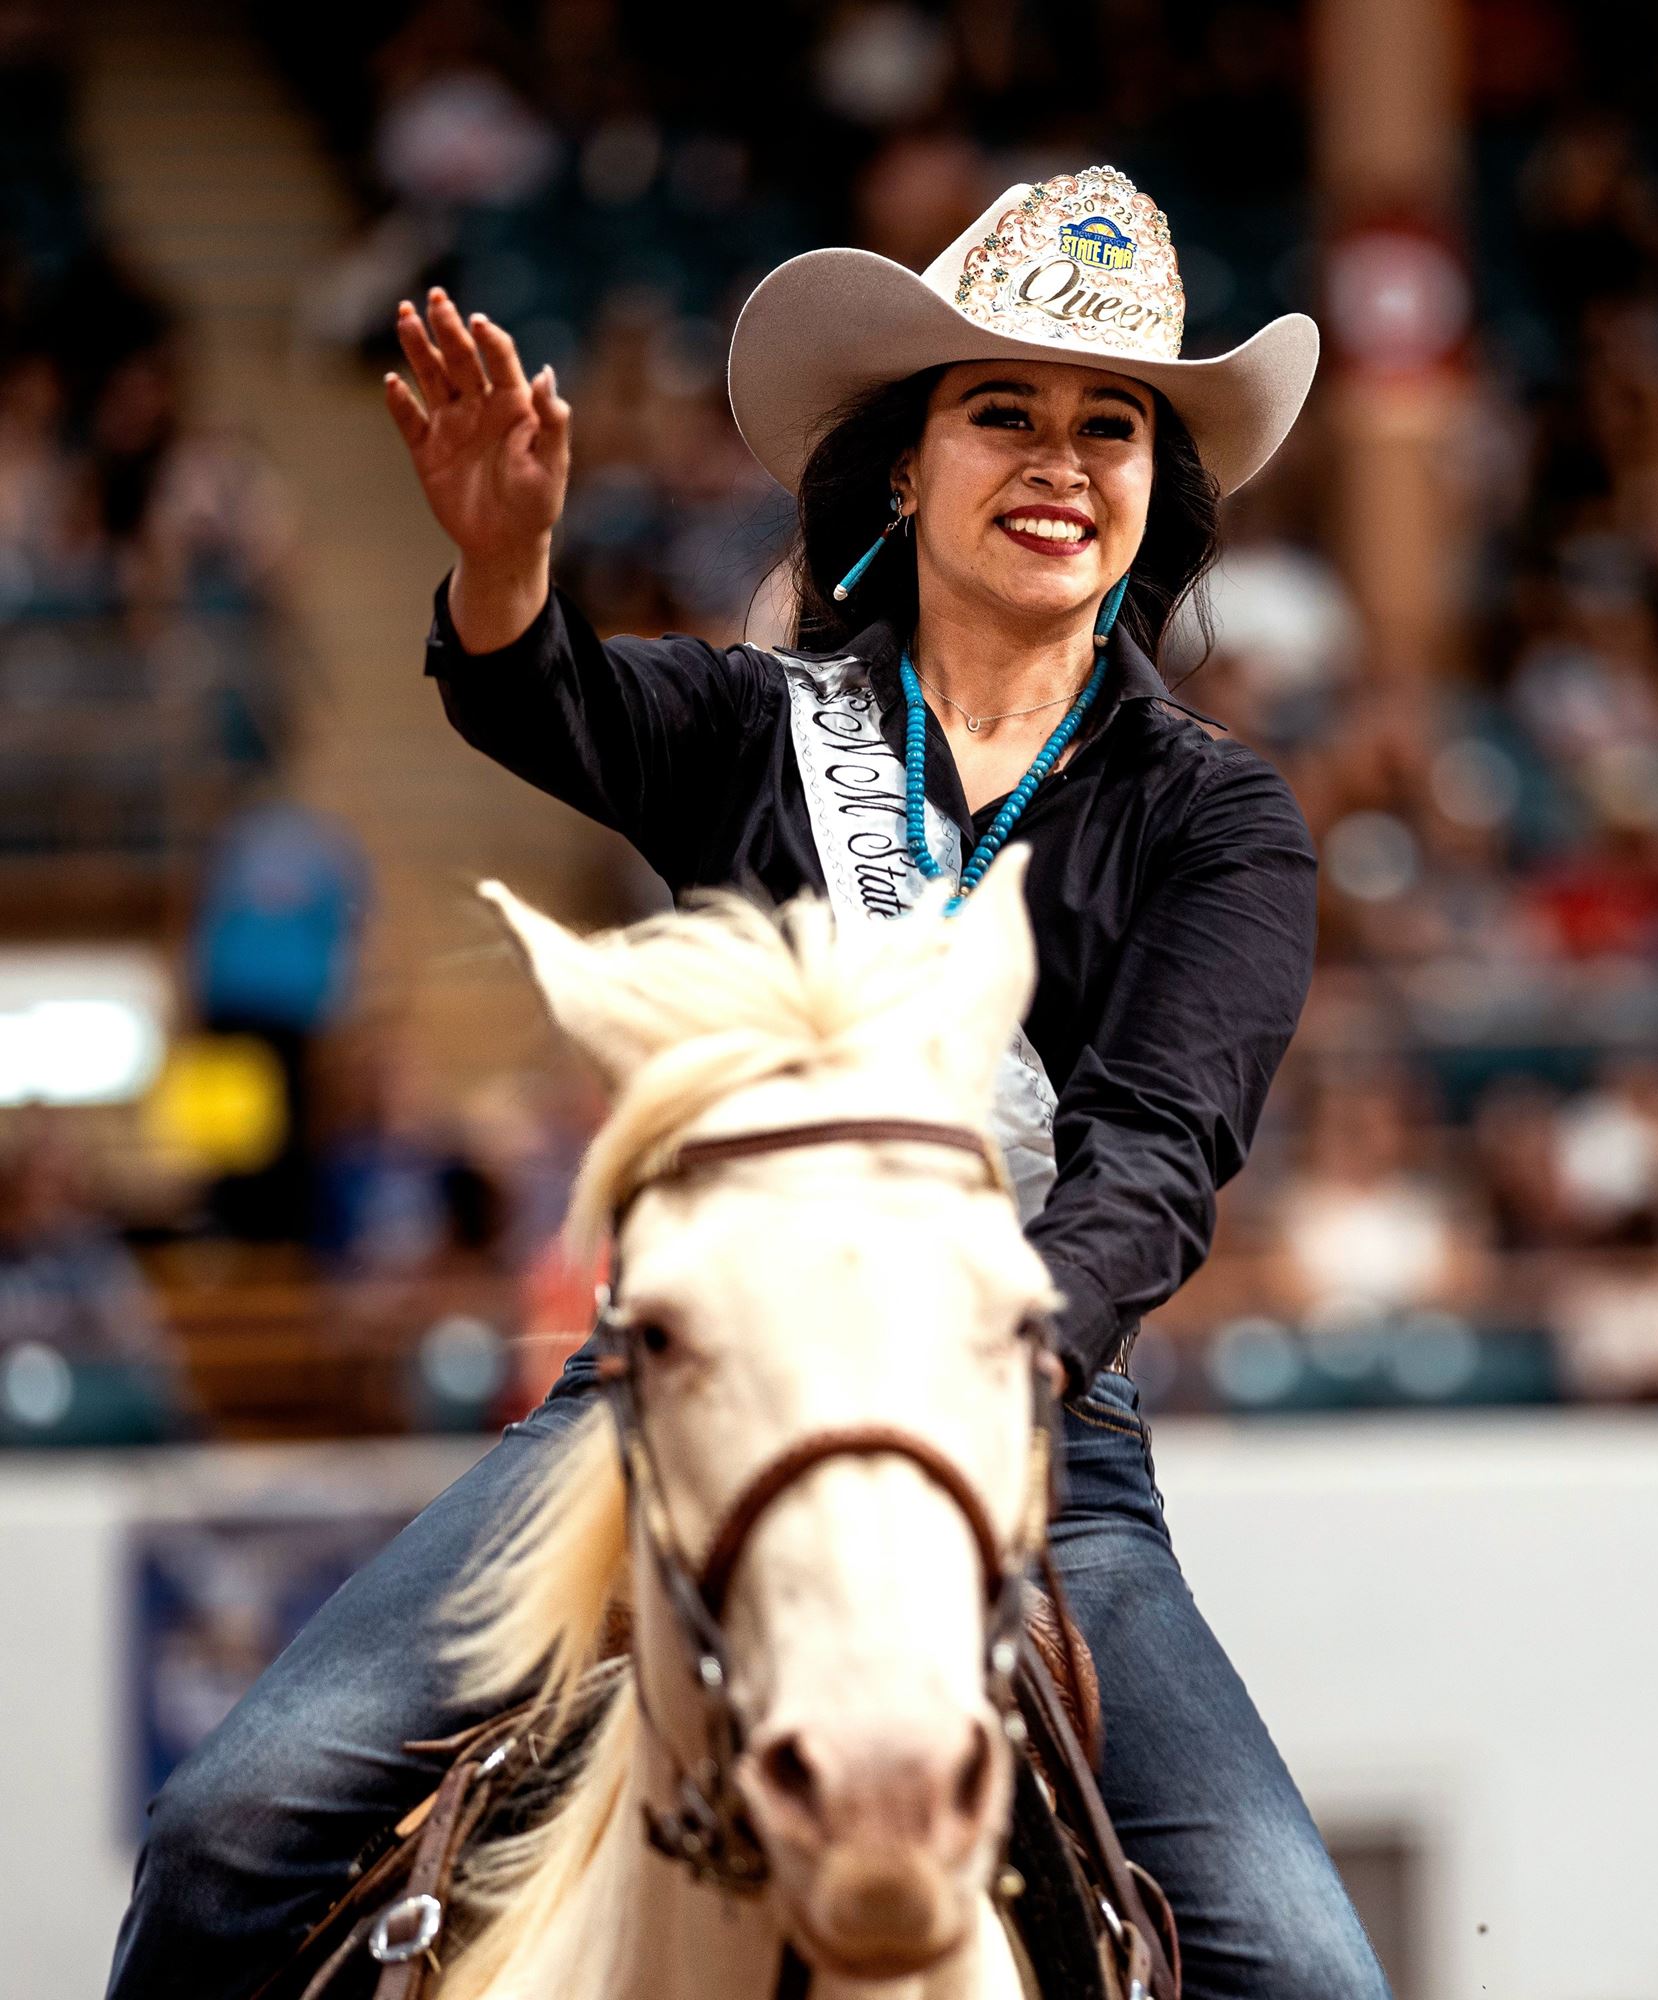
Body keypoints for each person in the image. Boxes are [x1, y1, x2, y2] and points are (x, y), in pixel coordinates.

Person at [106, 165, 1390, 2000]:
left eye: (1110, 426)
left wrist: (995, 1349)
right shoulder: (759, 725)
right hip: (677, 1398)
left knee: (1307, 1973)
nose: (1061, 458)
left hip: (1037, 1443)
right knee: (237, 1823)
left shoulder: (1219, 819)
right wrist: (500, 558)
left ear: (1151, 499)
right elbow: (540, 696)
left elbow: (1159, 1160)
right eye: (1000, 413)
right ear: (902, 465)